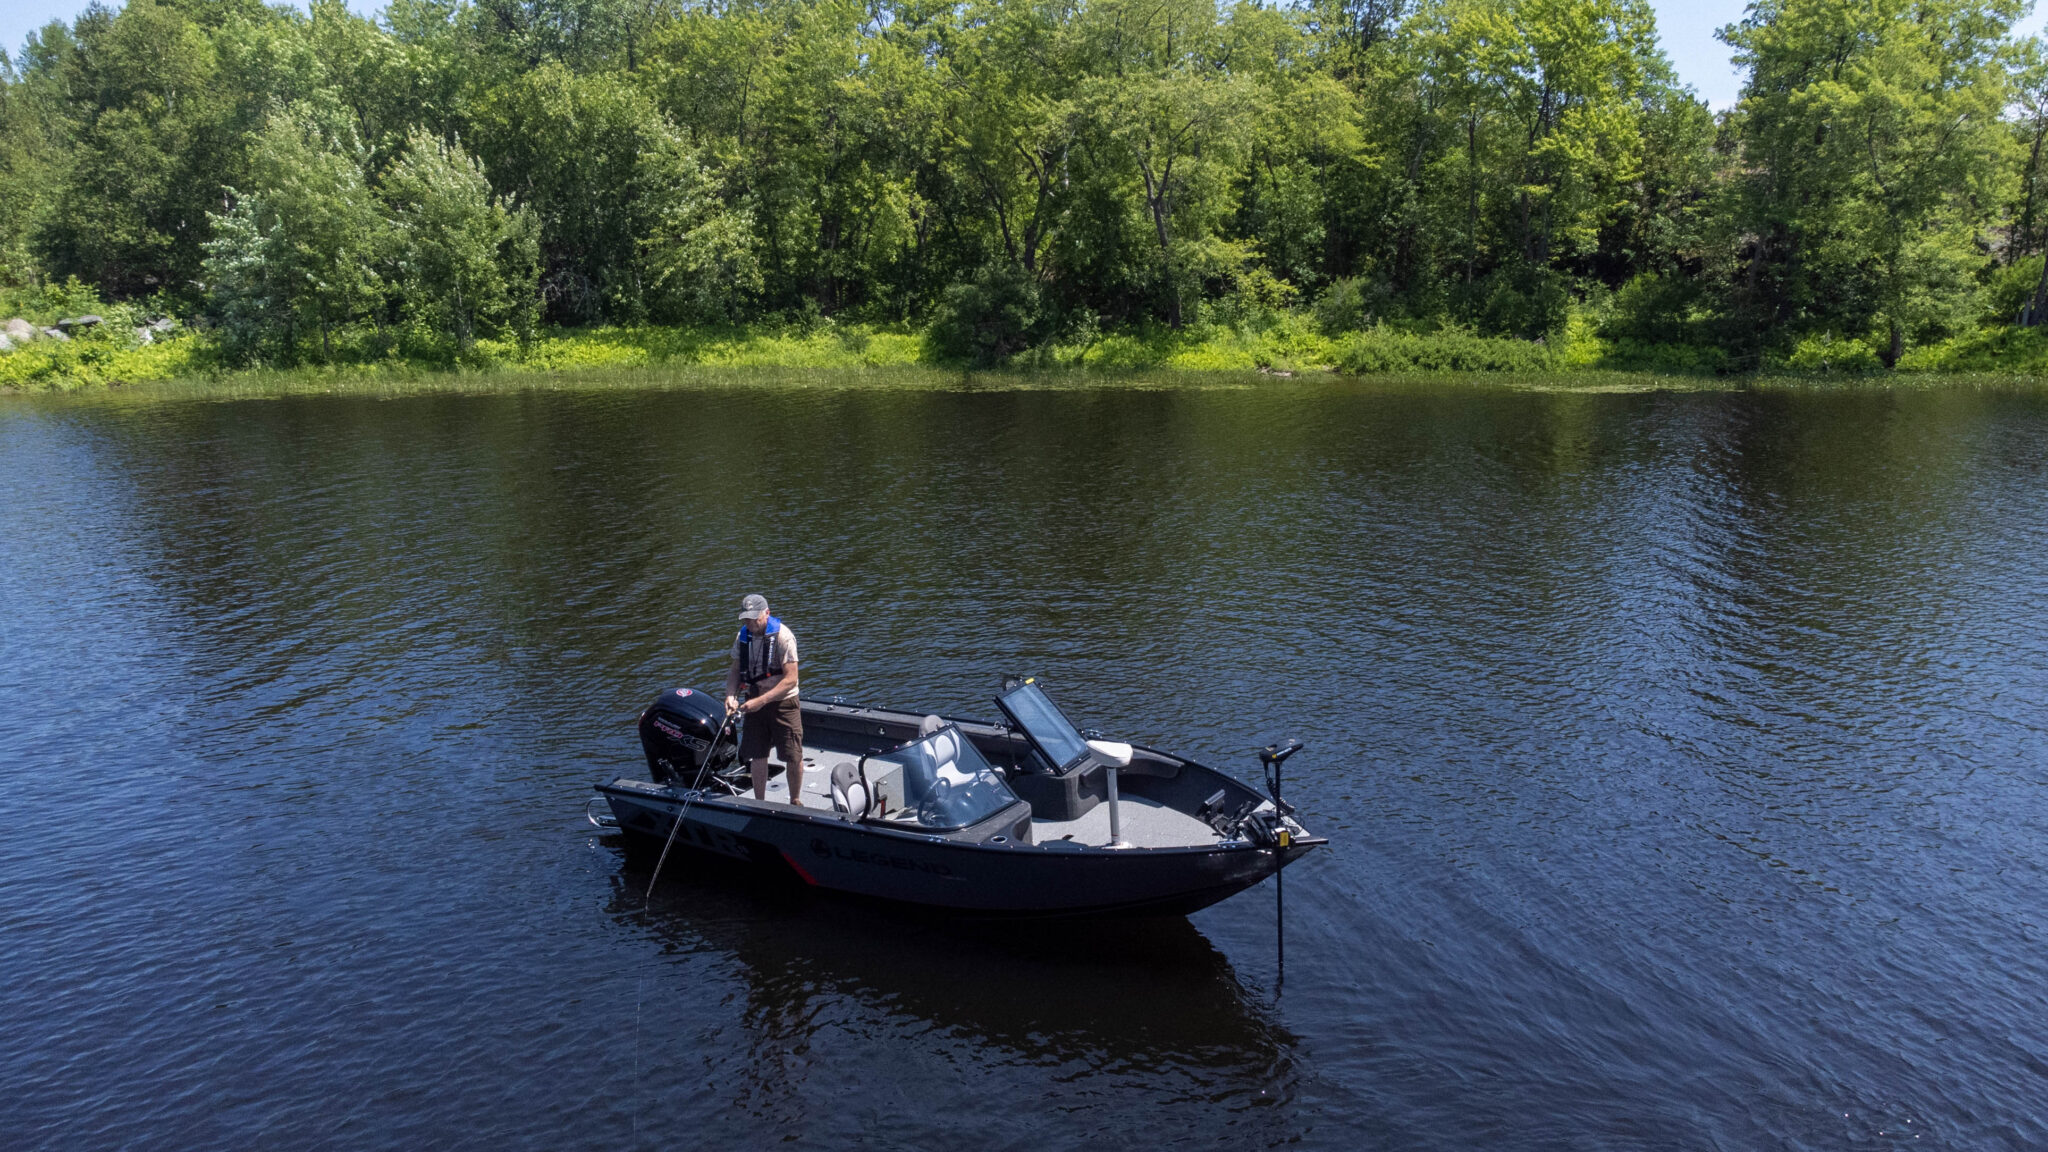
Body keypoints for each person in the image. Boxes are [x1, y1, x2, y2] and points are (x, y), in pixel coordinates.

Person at [725, 593, 804, 805]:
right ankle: (760, 802)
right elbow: (735, 671)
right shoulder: (743, 637)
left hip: (783, 702)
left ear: (766, 613)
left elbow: (791, 679)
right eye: (746, 620)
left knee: (793, 754)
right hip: (754, 701)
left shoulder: (783, 637)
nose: (750, 624)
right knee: (757, 754)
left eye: (754, 618)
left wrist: (762, 700)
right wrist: (731, 695)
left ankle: (795, 800)